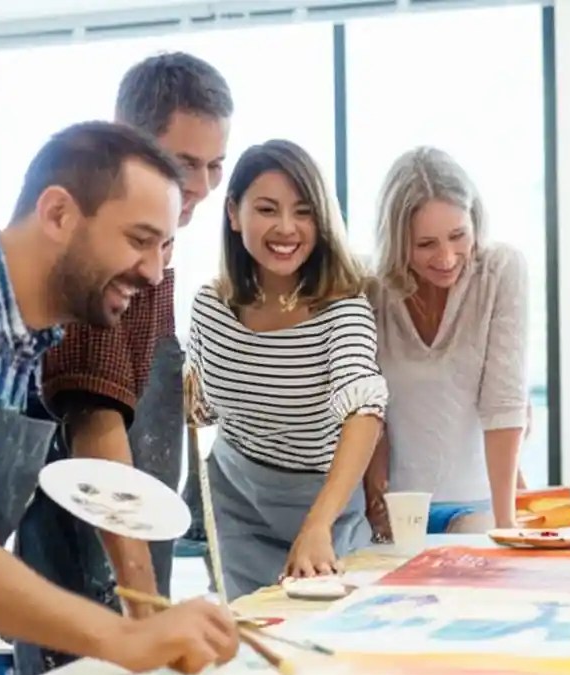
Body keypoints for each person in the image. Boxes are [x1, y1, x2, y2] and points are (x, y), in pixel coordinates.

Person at [0, 122, 239, 675]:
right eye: (139, 240)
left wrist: (149, 613)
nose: (152, 272)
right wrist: (124, 637)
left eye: (164, 248)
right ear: (59, 214)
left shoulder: (26, 341)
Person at [12, 51, 233, 675]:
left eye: (216, 165)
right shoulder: (94, 250)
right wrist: (145, 610)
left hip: (134, 535)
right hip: (92, 551)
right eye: (184, 163)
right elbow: (97, 430)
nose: (202, 186)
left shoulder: (157, 245)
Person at [185, 139, 385, 600]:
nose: (286, 228)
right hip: (236, 502)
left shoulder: (342, 310)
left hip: (324, 506)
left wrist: (318, 525)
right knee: (255, 643)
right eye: (267, 209)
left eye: (302, 211)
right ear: (234, 214)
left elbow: (365, 413)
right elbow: (203, 408)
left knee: (331, 640)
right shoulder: (209, 307)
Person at [364, 146, 529, 534]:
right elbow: (370, 410)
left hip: (478, 501)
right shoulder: (371, 290)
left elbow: (504, 403)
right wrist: (375, 502)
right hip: (398, 506)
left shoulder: (501, 271)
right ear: (398, 241)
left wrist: (506, 524)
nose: (447, 257)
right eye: (425, 244)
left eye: (458, 236)